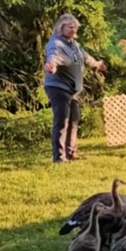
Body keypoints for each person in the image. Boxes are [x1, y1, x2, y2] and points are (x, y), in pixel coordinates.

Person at [43, 13, 105, 164]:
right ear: (61, 28)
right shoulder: (56, 43)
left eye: (75, 27)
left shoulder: (74, 45)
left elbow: (85, 58)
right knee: (62, 121)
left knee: (74, 121)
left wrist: (97, 64)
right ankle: (59, 157)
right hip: (58, 87)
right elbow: (53, 56)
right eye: (70, 27)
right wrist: (52, 66)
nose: (73, 30)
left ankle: (71, 153)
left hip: (72, 91)